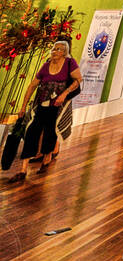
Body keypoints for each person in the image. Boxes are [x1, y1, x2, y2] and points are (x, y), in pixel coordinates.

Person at [8, 40, 82, 182]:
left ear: (64, 52)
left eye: (58, 49)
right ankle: (23, 170)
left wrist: (64, 93)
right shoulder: (46, 65)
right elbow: (32, 85)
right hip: (42, 103)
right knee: (31, 132)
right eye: (54, 48)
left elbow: (78, 79)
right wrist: (23, 106)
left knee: (50, 132)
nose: (54, 51)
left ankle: (46, 160)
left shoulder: (69, 63)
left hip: (57, 106)